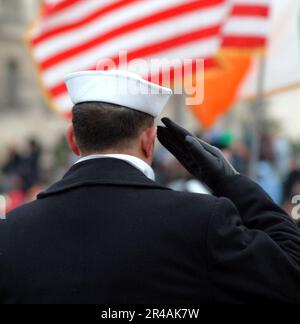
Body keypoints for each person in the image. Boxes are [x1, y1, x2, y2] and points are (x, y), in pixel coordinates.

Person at [0, 70, 300, 304]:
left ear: (72, 139)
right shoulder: (202, 221)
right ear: (149, 140)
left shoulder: (11, 231)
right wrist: (230, 182)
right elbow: (291, 274)